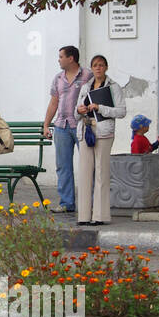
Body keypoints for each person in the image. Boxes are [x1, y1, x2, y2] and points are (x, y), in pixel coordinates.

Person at [74, 55, 126, 226]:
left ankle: (100, 215)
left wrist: (100, 108)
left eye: (101, 65)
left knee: (101, 172)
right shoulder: (85, 87)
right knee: (84, 172)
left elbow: (121, 111)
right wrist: (80, 109)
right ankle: (83, 215)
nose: (98, 68)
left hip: (103, 130)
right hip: (86, 129)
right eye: (95, 65)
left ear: (106, 67)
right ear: (91, 68)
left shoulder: (114, 87)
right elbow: (76, 112)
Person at [43, 46, 91, 214]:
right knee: (63, 166)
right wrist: (46, 124)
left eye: (61, 56)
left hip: (82, 125)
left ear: (71, 58)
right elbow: (53, 102)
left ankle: (90, 203)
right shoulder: (58, 78)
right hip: (62, 126)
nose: (59, 59)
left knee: (87, 164)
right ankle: (66, 203)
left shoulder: (87, 75)